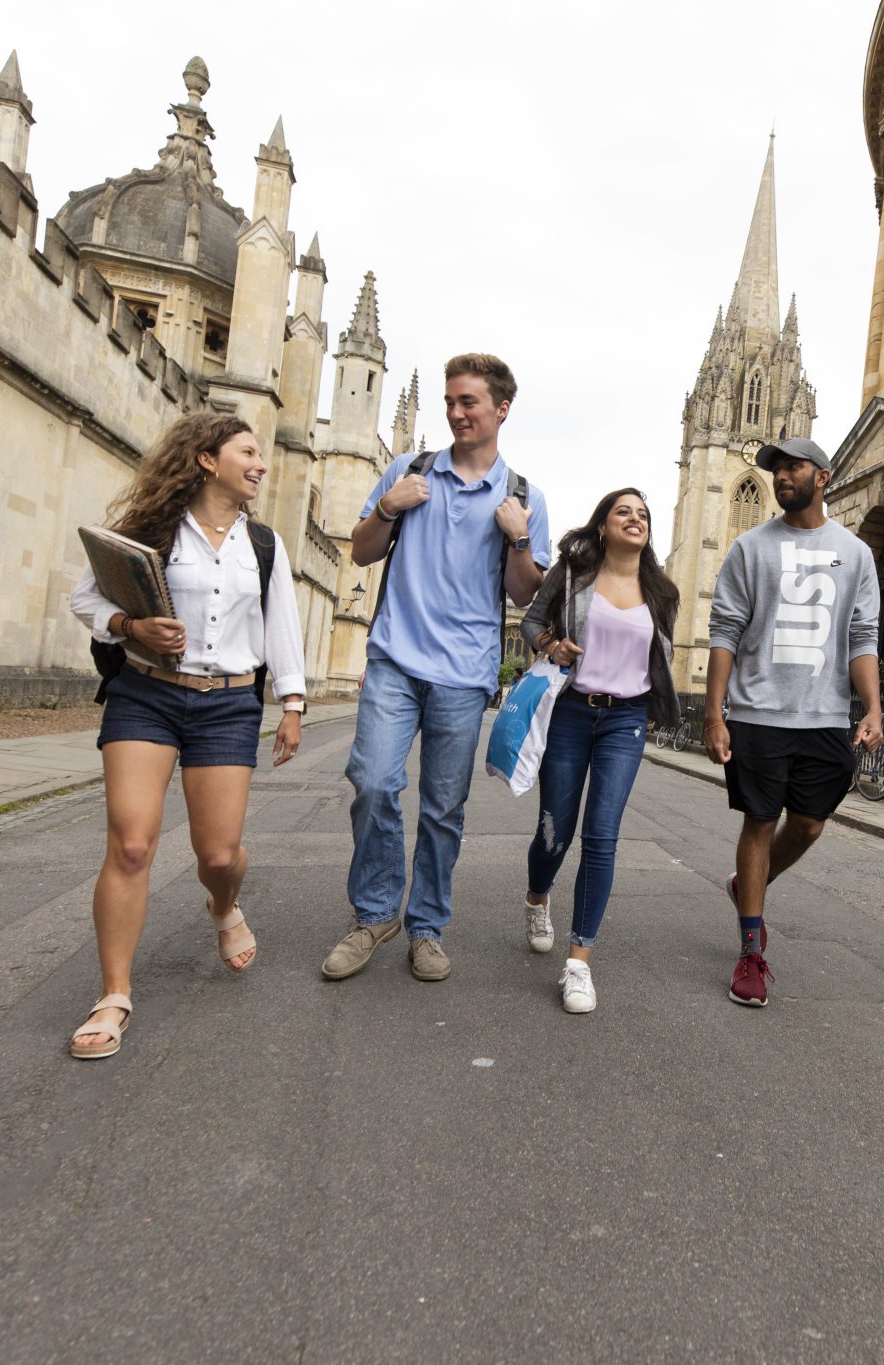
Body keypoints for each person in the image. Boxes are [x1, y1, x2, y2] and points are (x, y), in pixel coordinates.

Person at [65, 413, 307, 1059]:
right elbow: (83, 600)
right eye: (248, 451)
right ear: (206, 459)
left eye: (260, 453)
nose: (259, 462)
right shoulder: (149, 531)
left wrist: (292, 701)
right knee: (133, 843)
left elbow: (280, 621)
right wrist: (129, 624)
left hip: (227, 705)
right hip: (146, 694)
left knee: (220, 855)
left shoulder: (264, 544)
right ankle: (113, 994)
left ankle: (223, 906)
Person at [323, 353, 550, 985]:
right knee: (372, 781)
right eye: (450, 401)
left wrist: (520, 539)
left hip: (463, 674)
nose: (455, 413)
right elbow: (362, 552)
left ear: (501, 409)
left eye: (468, 402)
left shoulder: (523, 497)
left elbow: (526, 595)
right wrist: (389, 508)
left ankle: (426, 926)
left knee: (443, 808)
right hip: (395, 660)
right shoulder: (409, 471)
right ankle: (374, 914)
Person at [703, 436, 882, 1008]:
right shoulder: (750, 548)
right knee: (759, 821)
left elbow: (862, 637)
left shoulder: (855, 553)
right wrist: (715, 713)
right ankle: (751, 950)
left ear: (823, 476)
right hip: (757, 712)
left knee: (807, 826)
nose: (781, 476)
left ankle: (746, 887)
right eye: (775, 469)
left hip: (825, 716)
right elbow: (725, 630)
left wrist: (873, 707)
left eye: (792, 467)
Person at [518, 488, 681, 1012]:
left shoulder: (662, 591)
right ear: (604, 525)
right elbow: (528, 622)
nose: (636, 519)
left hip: (626, 719)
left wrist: (655, 705)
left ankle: (578, 963)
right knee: (554, 833)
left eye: (644, 514)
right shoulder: (572, 574)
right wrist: (551, 645)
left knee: (602, 837)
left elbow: (661, 655)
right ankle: (537, 897)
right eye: (624, 511)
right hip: (570, 711)